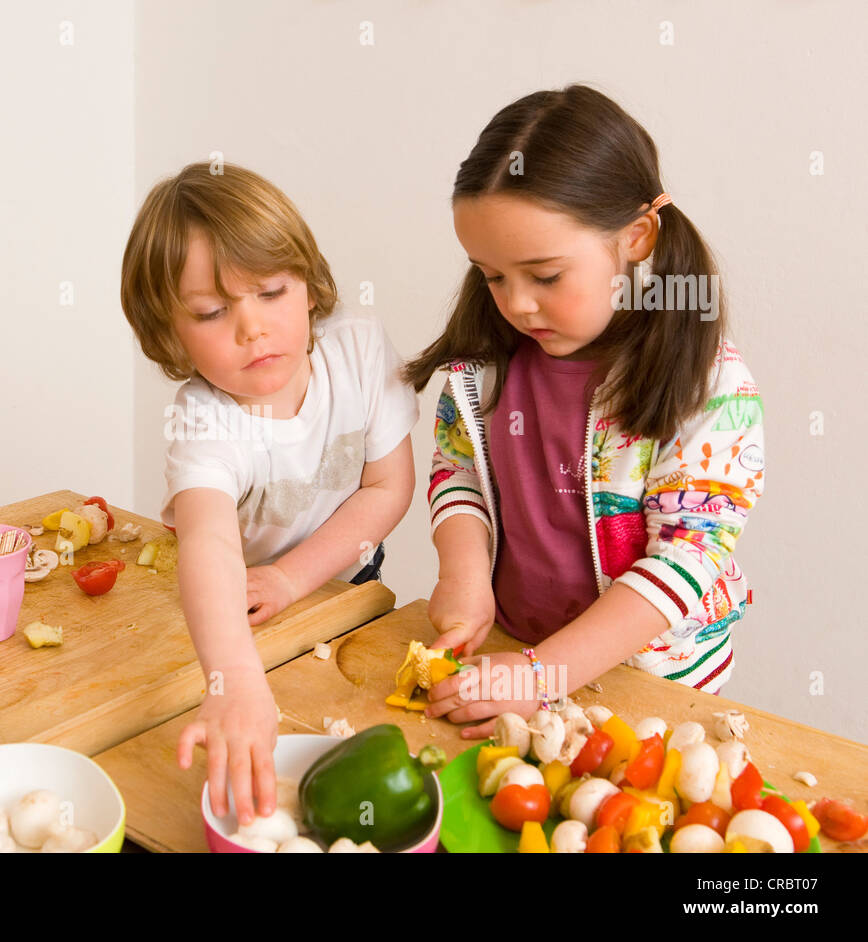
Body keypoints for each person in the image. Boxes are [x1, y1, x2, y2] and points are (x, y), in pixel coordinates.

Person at [404, 85, 764, 738]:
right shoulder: (485, 362)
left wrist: (542, 676)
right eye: (491, 275)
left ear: (635, 238)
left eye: (544, 277)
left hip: (653, 691)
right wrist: (461, 572)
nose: (516, 305)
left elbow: (686, 560)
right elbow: (456, 469)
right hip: (512, 656)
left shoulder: (708, 384)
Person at [120, 163, 419, 824]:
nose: (251, 328)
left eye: (272, 292)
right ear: (169, 333)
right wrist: (231, 682)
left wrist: (291, 576)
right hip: (238, 614)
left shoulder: (362, 351)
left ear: (310, 287)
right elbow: (207, 540)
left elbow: (388, 488)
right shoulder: (201, 417)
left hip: (348, 585)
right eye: (210, 312)